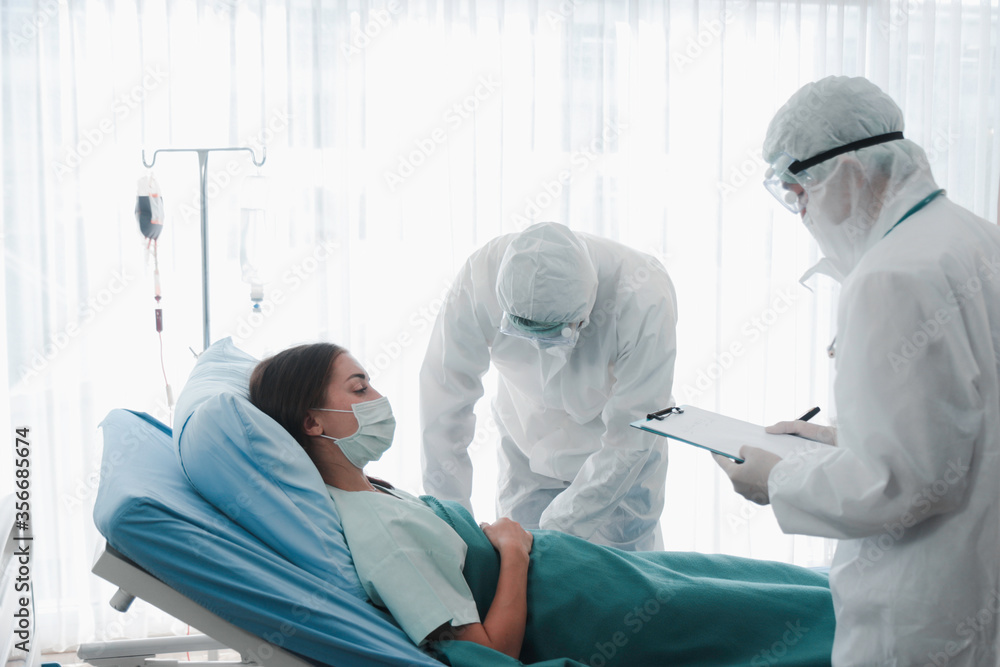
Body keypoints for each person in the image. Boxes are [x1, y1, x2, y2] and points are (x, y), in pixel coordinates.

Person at [249, 341, 837, 665]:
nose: (379, 397)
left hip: (595, 576)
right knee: (770, 621)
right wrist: (513, 554)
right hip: (587, 608)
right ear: (312, 422)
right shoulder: (378, 534)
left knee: (760, 583)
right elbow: (490, 653)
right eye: (359, 389)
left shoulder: (371, 492)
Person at [715, 75, 1000, 666]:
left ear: (846, 172)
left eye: (800, 191)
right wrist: (837, 439)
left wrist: (774, 480)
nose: (800, 211)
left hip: (918, 611)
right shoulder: (976, 238)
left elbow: (898, 484)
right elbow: (964, 420)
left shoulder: (891, 275)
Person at [419, 221, 678, 551]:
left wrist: (558, 528)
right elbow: (444, 401)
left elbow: (631, 435)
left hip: (618, 463)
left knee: (621, 582)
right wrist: (452, 524)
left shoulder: (643, 295)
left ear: (587, 309)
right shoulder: (479, 278)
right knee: (523, 584)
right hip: (528, 444)